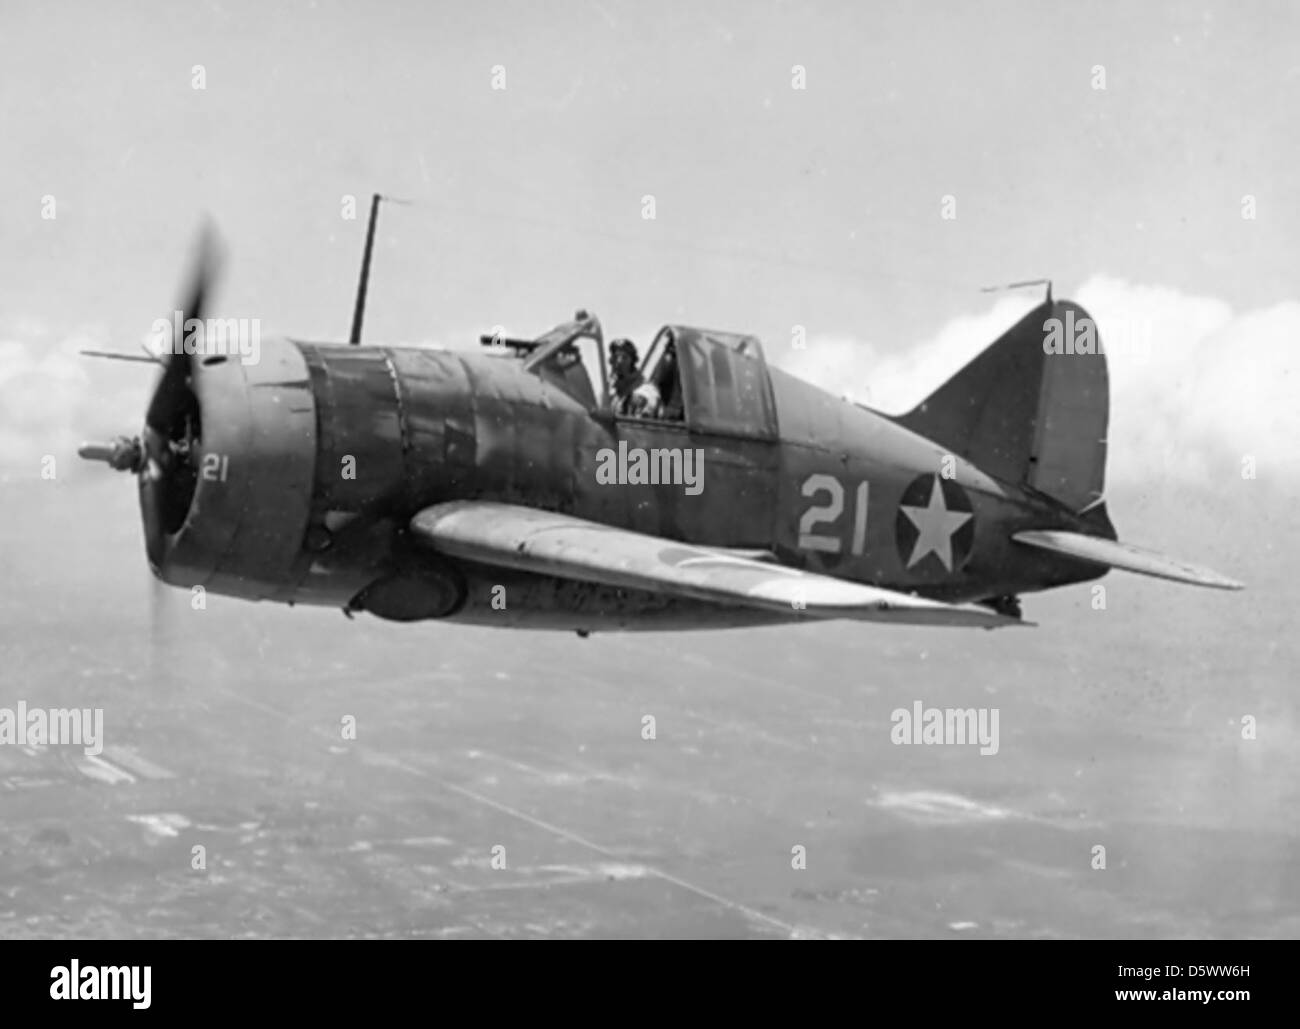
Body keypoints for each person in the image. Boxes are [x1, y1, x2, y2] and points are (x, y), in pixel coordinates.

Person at [607, 338, 660, 417]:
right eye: (615, 357)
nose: (618, 362)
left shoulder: (644, 393)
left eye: (624, 357)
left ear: (632, 362)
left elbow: (641, 426)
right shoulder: (614, 395)